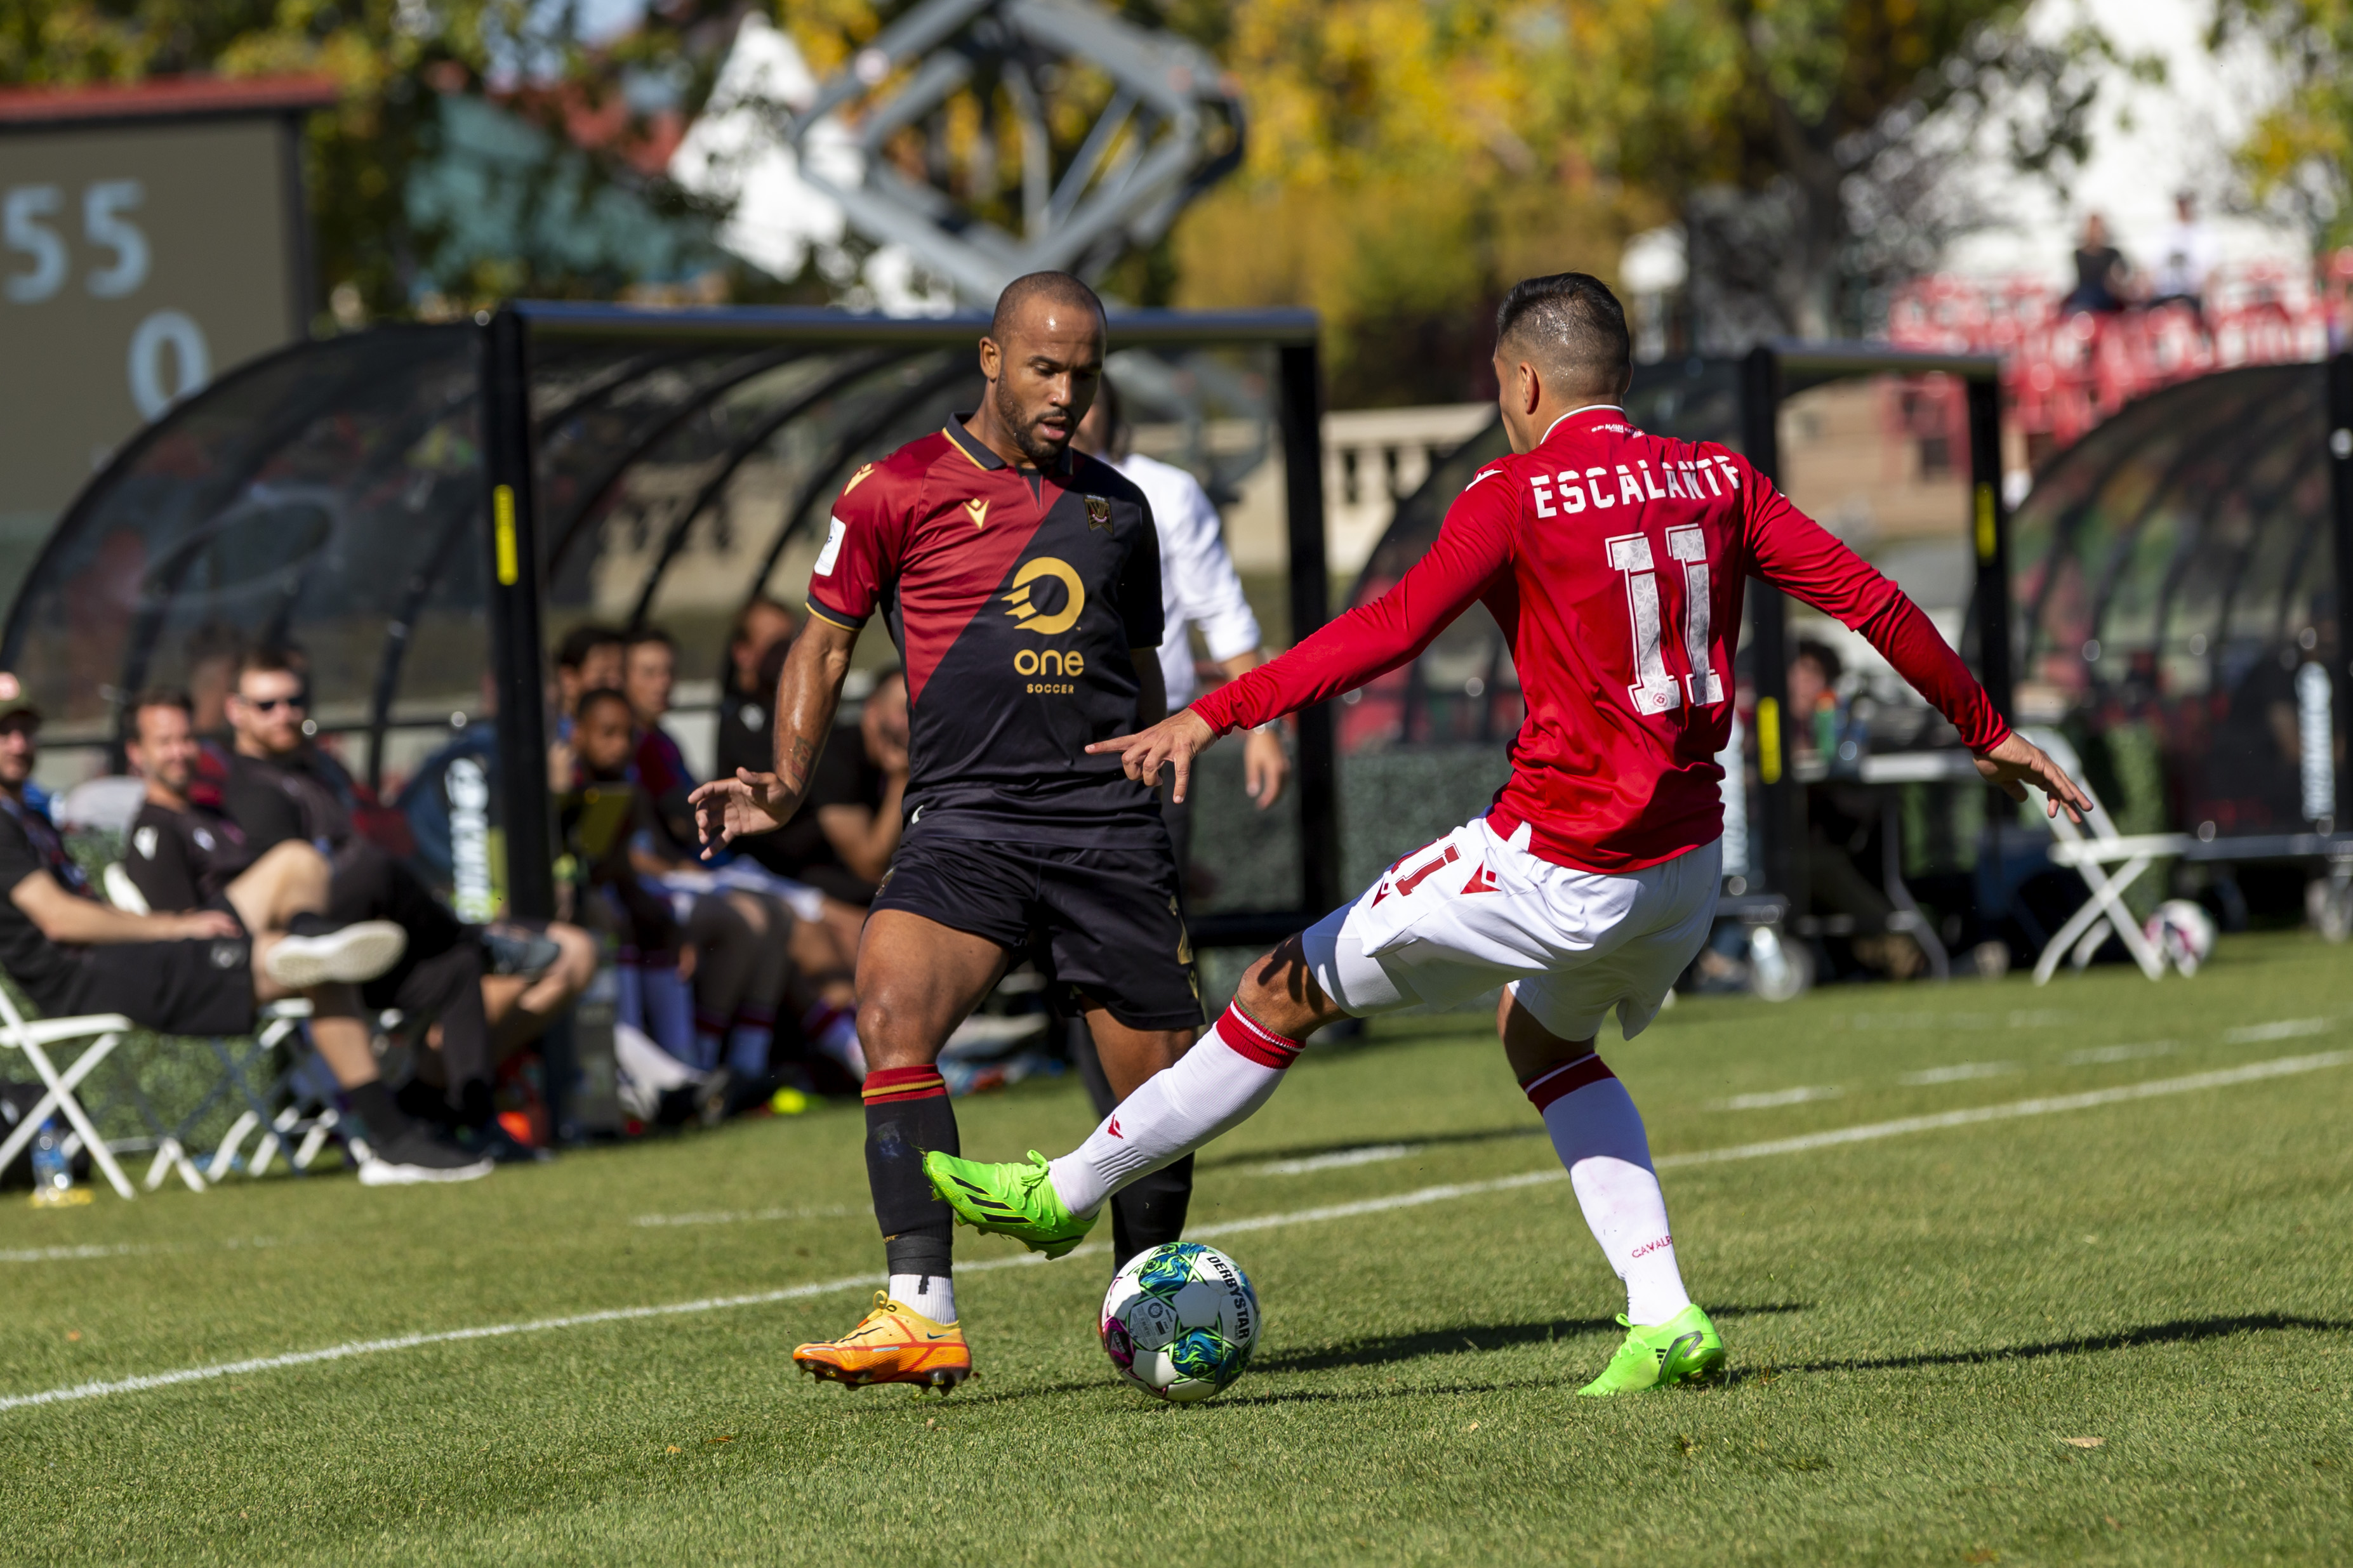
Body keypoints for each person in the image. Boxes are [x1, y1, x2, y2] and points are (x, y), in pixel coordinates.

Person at [924, 271, 2093, 1397]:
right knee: (1542, 1039)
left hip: (1556, 863)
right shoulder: (1720, 476)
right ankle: (1662, 1313)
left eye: (1497, 385)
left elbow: (1387, 631)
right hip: (1686, 871)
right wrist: (1984, 728)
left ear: (1523, 383)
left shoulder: (1514, 492)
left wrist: (1213, 711)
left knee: (1278, 991)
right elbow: (1868, 597)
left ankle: (1065, 1189)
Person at [692, 270, 1197, 1393]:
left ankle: (1153, 1313)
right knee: (890, 1007)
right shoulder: (893, 489)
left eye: (1085, 374)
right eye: (1045, 369)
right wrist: (785, 783)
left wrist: (1163, 789)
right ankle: (920, 1307)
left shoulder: (1121, 508)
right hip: (967, 817)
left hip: (1104, 823)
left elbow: (1145, 670)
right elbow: (822, 642)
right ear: (990, 358)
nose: (1066, 394)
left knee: (1158, 1092)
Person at [0, 680, 486, 1185]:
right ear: (138, 752)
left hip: (118, 961)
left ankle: (315, 939)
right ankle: (391, 1140)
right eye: (4, 732)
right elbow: (59, 918)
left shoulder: (29, 815)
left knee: (304, 897)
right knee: (320, 952)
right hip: (84, 978)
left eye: (24, 731)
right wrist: (175, 925)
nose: (18, 744)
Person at [716, 596, 800, 784]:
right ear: (743, 653)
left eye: (793, 643)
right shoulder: (739, 724)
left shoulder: (788, 707)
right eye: (776, 646)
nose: (788, 654)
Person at [2149, 192, 2220, 325]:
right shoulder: (2163, 233)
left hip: (2193, 295)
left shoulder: (2205, 233)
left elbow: (2213, 270)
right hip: (2165, 294)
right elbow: (2152, 269)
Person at [2062, 214, 2128, 316]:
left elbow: (2124, 273)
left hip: (2109, 297)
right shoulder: (2078, 254)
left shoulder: (2113, 254)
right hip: (2086, 298)